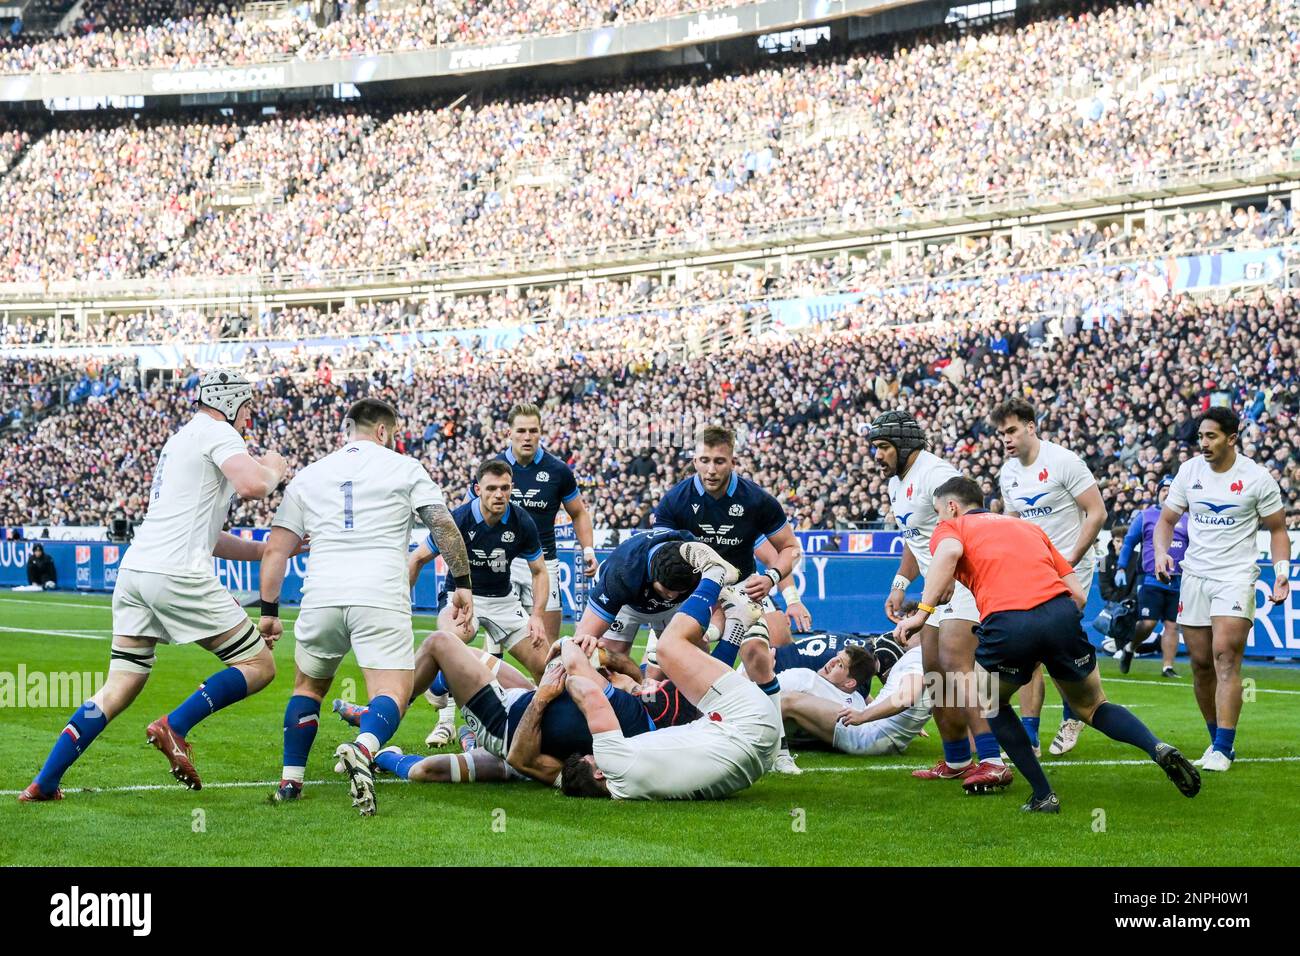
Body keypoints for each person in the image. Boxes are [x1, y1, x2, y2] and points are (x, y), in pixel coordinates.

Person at [20, 369, 289, 802]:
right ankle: (175, 725)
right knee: (259, 666)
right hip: (175, 573)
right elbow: (254, 484)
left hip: (137, 571)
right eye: (248, 407)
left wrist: (267, 551)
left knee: (118, 687)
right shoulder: (218, 432)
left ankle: (45, 781)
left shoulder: (182, 439)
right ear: (233, 403)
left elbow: (208, 535)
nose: (249, 416)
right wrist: (274, 468)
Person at [893, 476, 1200, 813]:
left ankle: (1043, 795)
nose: (938, 520)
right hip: (1060, 613)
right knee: (1093, 706)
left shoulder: (953, 528)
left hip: (1008, 621)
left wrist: (922, 613)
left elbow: (949, 553)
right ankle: (1156, 747)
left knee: (991, 701)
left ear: (952, 506)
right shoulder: (1025, 527)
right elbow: (1079, 594)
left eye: (938, 512)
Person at [257, 398, 469, 815]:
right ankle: (363, 748)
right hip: (379, 593)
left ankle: (290, 780)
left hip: (321, 595)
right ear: (385, 432)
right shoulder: (405, 468)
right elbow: (443, 525)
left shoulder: (310, 475)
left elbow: (275, 551)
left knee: (308, 688)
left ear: (347, 429)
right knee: (392, 691)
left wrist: (268, 611)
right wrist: (462, 583)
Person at [869, 410, 1010, 791]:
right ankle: (958, 760)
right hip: (937, 589)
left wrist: (947, 575)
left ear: (905, 445)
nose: (877, 456)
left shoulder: (936, 475)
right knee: (934, 671)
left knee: (956, 665)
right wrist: (900, 582)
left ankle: (994, 759)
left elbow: (968, 524)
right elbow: (917, 541)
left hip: (962, 583)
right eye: (874, 448)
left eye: (883, 448)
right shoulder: (897, 485)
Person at [560, 564, 784, 800]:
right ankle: (713, 575)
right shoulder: (612, 760)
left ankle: (735, 626)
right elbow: (588, 691)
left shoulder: (626, 792)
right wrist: (565, 652)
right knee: (668, 649)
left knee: (687, 679)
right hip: (747, 724)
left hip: (756, 761)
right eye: (592, 756)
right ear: (598, 774)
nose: (594, 752)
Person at [1153, 406, 1290, 773]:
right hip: (1195, 575)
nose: (1204, 444)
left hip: (1236, 575)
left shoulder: (1257, 478)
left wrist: (1280, 572)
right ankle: (1216, 741)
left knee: (1225, 656)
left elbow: (1278, 530)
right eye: (1200, 437)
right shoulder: (1189, 472)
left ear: (1232, 438)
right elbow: (1166, 521)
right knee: (1200, 665)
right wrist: (1162, 553)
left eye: (1211, 436)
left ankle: (1224, 748)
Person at [370, 628, 653, 786]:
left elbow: (520, 760)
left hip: (505, 727)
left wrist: (543, 697)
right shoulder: (637, 709)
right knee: (467, 655)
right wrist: (603, 654)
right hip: (527, 696)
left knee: (439, 643)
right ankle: (446, 692)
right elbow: (627, 672)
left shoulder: (602, 771)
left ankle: (384, 724)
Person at [992, 397, 1107, 757]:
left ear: (1031, 426)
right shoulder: (1008, 473)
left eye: (1011, 430)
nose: (1006, 439)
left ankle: (1074, 713)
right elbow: (1013, 526)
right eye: (1001, 434)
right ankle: (1031, 735)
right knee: (1030, 649)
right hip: (1030, 568)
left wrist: (1068, 562)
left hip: (1071, 565)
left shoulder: (1064, 461)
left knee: (1054, 645)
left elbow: (1097, 512)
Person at [409, 459, 549, 745]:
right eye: (492, 488)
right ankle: (445, 723)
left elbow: (539, 571)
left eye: (505, 488)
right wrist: (402, 605)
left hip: (505, 602)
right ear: (477, 489)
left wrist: (537, 615)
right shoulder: (457, 520)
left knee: (545, 665)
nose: (499, 494)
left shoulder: (522, 522)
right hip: (463, 597)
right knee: (449, 643)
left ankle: (542, 734)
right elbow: (417, 558)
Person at [479, 403, 598, 648]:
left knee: (547, 643)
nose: (527, 437)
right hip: (502, 561)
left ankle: (543, 686)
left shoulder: (558, 470)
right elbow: (476, 517)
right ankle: (491, 687)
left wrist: (588, 550)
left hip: (544, 562)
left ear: (541, 432)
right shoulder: (492, 469)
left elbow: (578, 513)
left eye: (533, 430)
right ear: (508, 433)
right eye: (521, 431)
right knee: (494, 642)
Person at [1115, 476, 1186, 676]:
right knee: (1148, 623)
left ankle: (1168, 666)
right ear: (1158, 494)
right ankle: (1130, 647)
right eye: (1163, 490)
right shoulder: (1146, 516)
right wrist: (1121, 567)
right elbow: (1129, 542)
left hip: (1178, 580)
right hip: (1151, 578)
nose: (1167, 493)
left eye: (1171, 490)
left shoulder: (1186, 518)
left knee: (1173, 625)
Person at [829, 633, 933, 756]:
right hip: (878, 738)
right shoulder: (929, 657)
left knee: (804, 700)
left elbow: (906, 697)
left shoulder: (916, 655)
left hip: (870, 736)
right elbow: (907, 697)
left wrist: (869, 714)